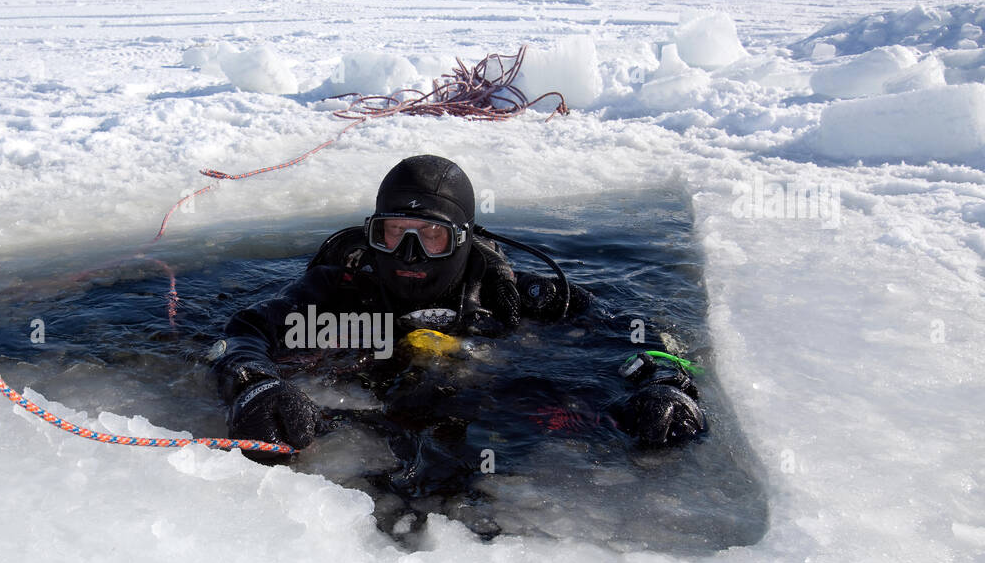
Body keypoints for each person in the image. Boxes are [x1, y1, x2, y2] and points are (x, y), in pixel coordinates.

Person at [210, 154, 705, 454]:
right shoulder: (341, 291)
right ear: (372, 233)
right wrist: (255, 385)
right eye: (393, 234)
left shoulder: (508, 295)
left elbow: (631, 326)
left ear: (464, 239)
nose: (409, 255)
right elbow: (246, 331)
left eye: (431, 236)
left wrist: (668, 380)